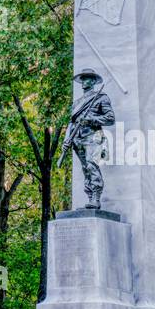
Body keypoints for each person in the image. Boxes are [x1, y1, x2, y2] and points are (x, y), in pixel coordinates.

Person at [57, 69, 115, 210]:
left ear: (93, 81)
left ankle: (96, 197)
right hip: (78, 139)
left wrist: (91, 119)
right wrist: (66, 140)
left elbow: (110, 118)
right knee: (85, 169)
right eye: (82, 79)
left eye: (87, 78)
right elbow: (71, 123)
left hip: (93, 137)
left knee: (91, 165)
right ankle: (90, 197)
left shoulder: (101, 97)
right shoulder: (77, 103)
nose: (84, 81)